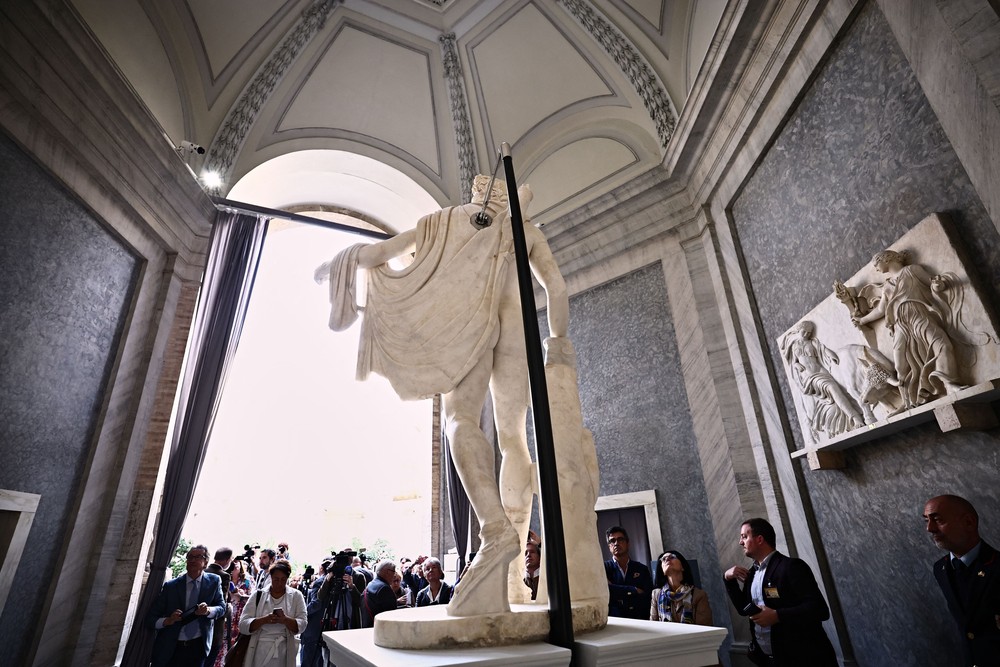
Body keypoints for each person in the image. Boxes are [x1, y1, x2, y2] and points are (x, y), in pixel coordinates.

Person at [317, 176, 568, 615]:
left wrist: (338, 264)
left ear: (476, 194)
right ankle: (516, 574)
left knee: (460, 422)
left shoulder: (447, 222)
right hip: (516, 333)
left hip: (470, 329)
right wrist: (559, 346)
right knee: (514, 439)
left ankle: (496, 528)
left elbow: (379, 253)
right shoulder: (528, 232)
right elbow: (556, 289)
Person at [851, 249, 965, 412]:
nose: (876, 269)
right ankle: (908, 401)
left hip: (920, 317)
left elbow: (933, 283)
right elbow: (881, 310)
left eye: (877, 264)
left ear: (887, 259)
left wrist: (938, 285)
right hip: (900, 326)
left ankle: (950, 384)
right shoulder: (887, 286)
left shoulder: (912, 270)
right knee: (900, 366)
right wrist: (862, 320)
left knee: (943, 345)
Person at [723, 518, 837, 666]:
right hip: (771, 660)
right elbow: (744, 609)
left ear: (759, 539)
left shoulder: (791, 567)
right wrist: (728, 579)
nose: (740, 542)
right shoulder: (752, 573)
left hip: (804, 658)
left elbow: (819, 609)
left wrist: (777, 615)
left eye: (744, 536)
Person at [924, 494, 1000, 666]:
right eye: (926, 520)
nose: (929, 528)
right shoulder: (940, 569)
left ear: (969, 523)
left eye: (937, 519)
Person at [146, 544, 226, 667]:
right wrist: (168, 620)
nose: (193, 560)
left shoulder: (214, 582)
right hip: (171, 647)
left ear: (206, 562)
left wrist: (208, 611)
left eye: (198, 557)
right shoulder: (171, 586)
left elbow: (222, 608)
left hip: (198, 646)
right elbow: (151, 619)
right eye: (190, 557)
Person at [239, 561, 307, 667]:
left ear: (287, 578)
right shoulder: (258, 595)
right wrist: (264, 620)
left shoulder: (296, 596)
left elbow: (302, 623)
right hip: (259, 648)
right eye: (276, 579)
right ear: (271, 577)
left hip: (284, 649)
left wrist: (285, 619)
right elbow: (243, 624)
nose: (279, 583)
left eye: (283, 580)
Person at [650, 550, 712, 624]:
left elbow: (705, 629)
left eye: (672, 557)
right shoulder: (656, 594)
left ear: (683, 567)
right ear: (662, 570)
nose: (667, 559)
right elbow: (654, 626)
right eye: (663, 559)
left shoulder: (698, 595)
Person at [603, 526, 652, 619]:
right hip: (616, 621)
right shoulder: (603, 569)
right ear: (609, 546)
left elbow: (647, 595)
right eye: (612, 541)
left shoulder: (641, 569)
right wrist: (633, 590)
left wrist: (616, 589)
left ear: (628, 543)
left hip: (640, 620)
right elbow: (606, 591)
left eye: (620, 539)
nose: (616, 543)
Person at [205, 547, 233, 667]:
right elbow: (222, 602)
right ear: (227, 560)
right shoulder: (224, 576)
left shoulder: (204, 570)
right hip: (215, 625)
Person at [361, 560, 399, 626]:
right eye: (394, 572)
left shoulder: (372, 584)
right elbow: (391, 615)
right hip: (381, 630)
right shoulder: (384, 589)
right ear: (388, 572)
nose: (395, 575)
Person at [228, 559, 252, 647]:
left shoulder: (246, 580)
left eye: (236, 566)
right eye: (232, 566)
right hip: (227, 615)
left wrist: (241, 596)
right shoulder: (225, 579)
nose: (234, 568)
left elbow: (253, 598)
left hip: (241, 614)